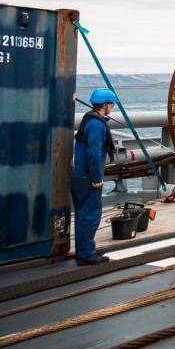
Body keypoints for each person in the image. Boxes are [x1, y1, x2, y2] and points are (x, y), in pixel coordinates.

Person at [72, 88, 118, 265]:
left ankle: (84, 249)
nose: (112, 107)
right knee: (90, 214)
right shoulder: (97, 125)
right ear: (105, 104)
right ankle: (86, 254)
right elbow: (93, 154)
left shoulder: (89, 119)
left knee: (82, 214)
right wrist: (97, 179)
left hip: (79, 174)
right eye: (112, 104)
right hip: (87, 176)